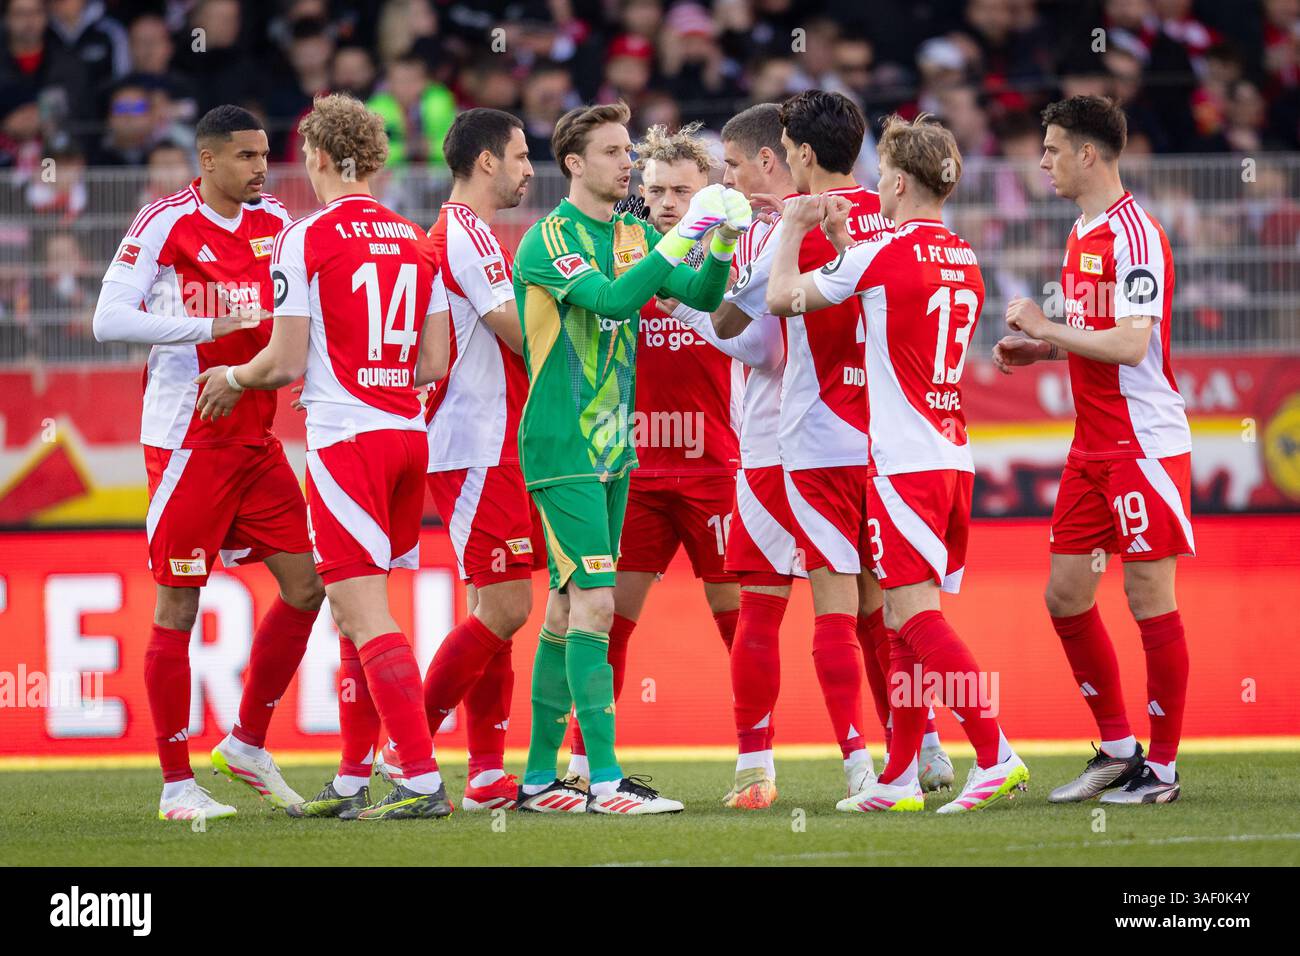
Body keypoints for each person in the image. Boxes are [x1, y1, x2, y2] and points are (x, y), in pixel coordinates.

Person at [195, 93, 452, 820]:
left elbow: (282, 361)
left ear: (314, 158)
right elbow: (432, 360)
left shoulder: (302, 238)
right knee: (353, 611)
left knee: (366, 617)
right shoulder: (413, 238)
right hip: (408, 437)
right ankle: (349, 777)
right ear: (373, 157)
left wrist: (232, 375)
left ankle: (423, 781)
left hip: (347, 441)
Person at [767, 114, 1029, 814]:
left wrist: (793, 232)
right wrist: (854, 245)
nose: (873, 182)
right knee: (899, 627)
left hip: (904, 461)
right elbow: (898, 303)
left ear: (899, 180)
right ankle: (900, 777)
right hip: (953, 455)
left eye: (882, 172)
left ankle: (995, 748)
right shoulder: (964, 255)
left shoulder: (879, 255)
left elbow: (779, 299)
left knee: (914, 622)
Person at [510, 101, 748, 814]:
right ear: (576, 164)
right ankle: (606, 783)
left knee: (561, 614)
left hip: (614, 447)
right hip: (563, 445)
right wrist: (683, 239)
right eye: (616, 153)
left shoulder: (631, 231)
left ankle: (536, 781)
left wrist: (724, 239)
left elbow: (702, 296)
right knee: (597, 605)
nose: (630, 166)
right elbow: (614, 303)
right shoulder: (549, 239)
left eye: (629, 153)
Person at [91, 105, 323, 822]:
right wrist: (206, 325)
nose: (261, 167)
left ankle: (247, 741)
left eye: (264, 155)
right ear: (210, 161)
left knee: (309, 586)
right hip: (187, 442)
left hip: (256, 441)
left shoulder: (277, 222)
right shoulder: (166, 221)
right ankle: (174, 786)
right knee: (178, 604)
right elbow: (109, 319)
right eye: (247, 156)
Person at [716, 90, 927, 803]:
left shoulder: (790, 230)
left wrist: (674, 284)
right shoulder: (890, 220)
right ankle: (923, 751)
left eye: (734, 166)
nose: (731, 179)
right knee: (891, 611)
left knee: (810, 607)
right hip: (890, 442)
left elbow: (736, 325)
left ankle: (856, 767)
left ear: (797, 155)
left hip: (802, 442)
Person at [993, 95, 1192, 805]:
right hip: (1092, 447)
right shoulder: (1082, 230)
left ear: (1087, 154)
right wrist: (1043, 347)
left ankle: (1161, 771)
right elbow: (1097, 338)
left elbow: (1134, 344)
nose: (1041, 160)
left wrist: (1049, 323)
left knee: (1147, 597)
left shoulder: (1134, 235)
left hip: (1142, 445)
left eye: (1051, 148)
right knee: (1066, 595)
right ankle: (1115, 747)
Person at [412, 107, 540, 812]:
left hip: (497, 441)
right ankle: (407, 749)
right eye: (520, 156)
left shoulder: (471, 233)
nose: (529, 169)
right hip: (474, 442)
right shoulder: (464, 233)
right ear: (485, 161)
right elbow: (514, 331)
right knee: (506, 604)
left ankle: (487, 773)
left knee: (499, 605)